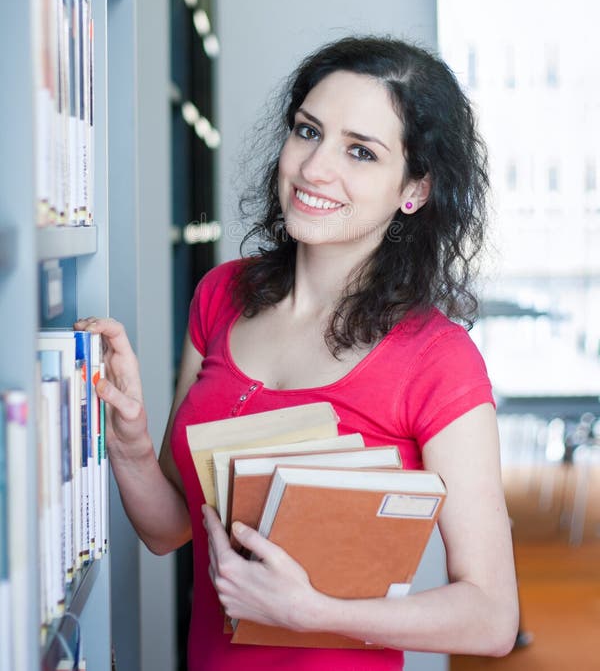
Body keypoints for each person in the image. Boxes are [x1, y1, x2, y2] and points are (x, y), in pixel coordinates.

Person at [76, 36, 519, 670]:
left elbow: (493, 616)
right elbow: (168, 529)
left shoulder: (436, 359)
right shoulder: (221, 296)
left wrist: (315, 613)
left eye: (361, 152)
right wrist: (130, 444)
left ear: (414, 189)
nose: (315, 169)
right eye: (308, 132)